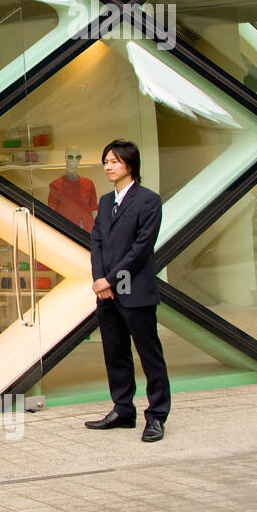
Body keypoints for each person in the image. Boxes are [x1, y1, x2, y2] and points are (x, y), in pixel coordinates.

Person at [86, 140, 170, 442]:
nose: (108, 166)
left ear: (130, 165)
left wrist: (111, 279)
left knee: (149, 355)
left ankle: (157, 416)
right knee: (115, 353)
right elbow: (96, 242)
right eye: (106, 161)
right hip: (107, 293)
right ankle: (123, 409)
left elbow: (140, 249)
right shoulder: (107, 201)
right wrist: (100, 281)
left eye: (115, 161)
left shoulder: (148, 201)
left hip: (135, 291)